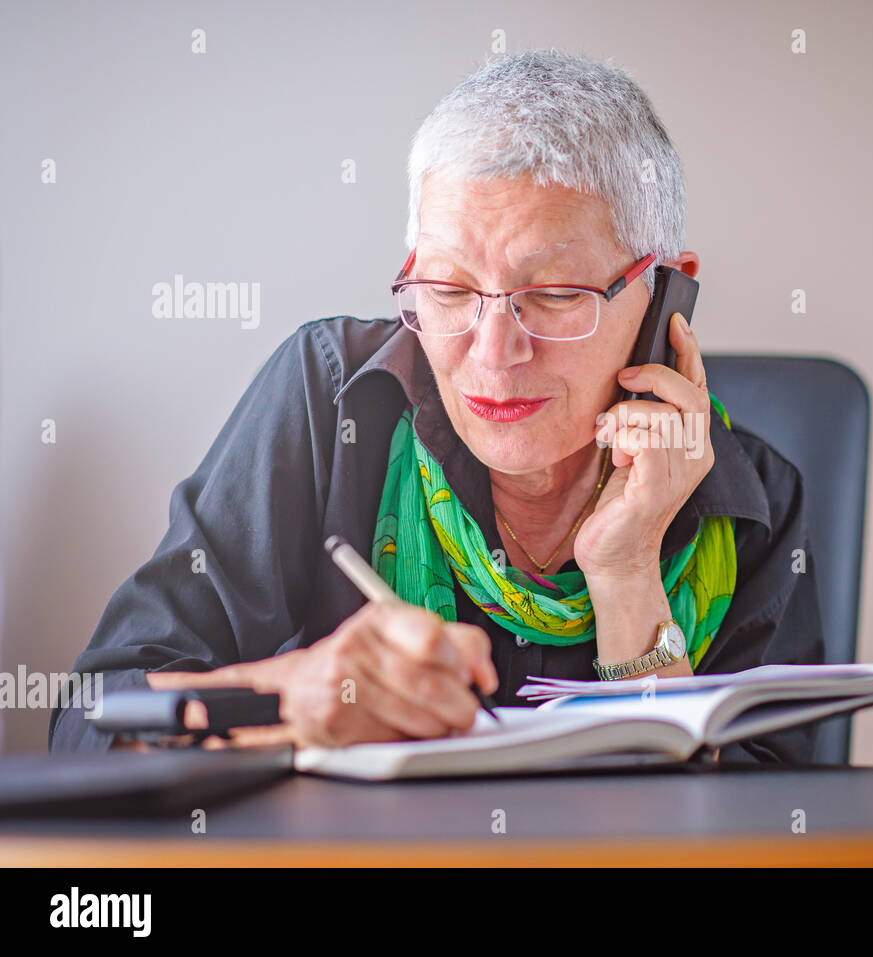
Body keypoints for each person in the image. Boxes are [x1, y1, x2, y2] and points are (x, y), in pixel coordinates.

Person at [51, 49, 825, 760]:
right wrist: (287, 697)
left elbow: (768, 832)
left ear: (665, 292)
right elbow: (88, 720)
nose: (491, 353)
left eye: (553, 295)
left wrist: (626, 575)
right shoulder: (331, 404)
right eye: (450, 291)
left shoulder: (753, 504)